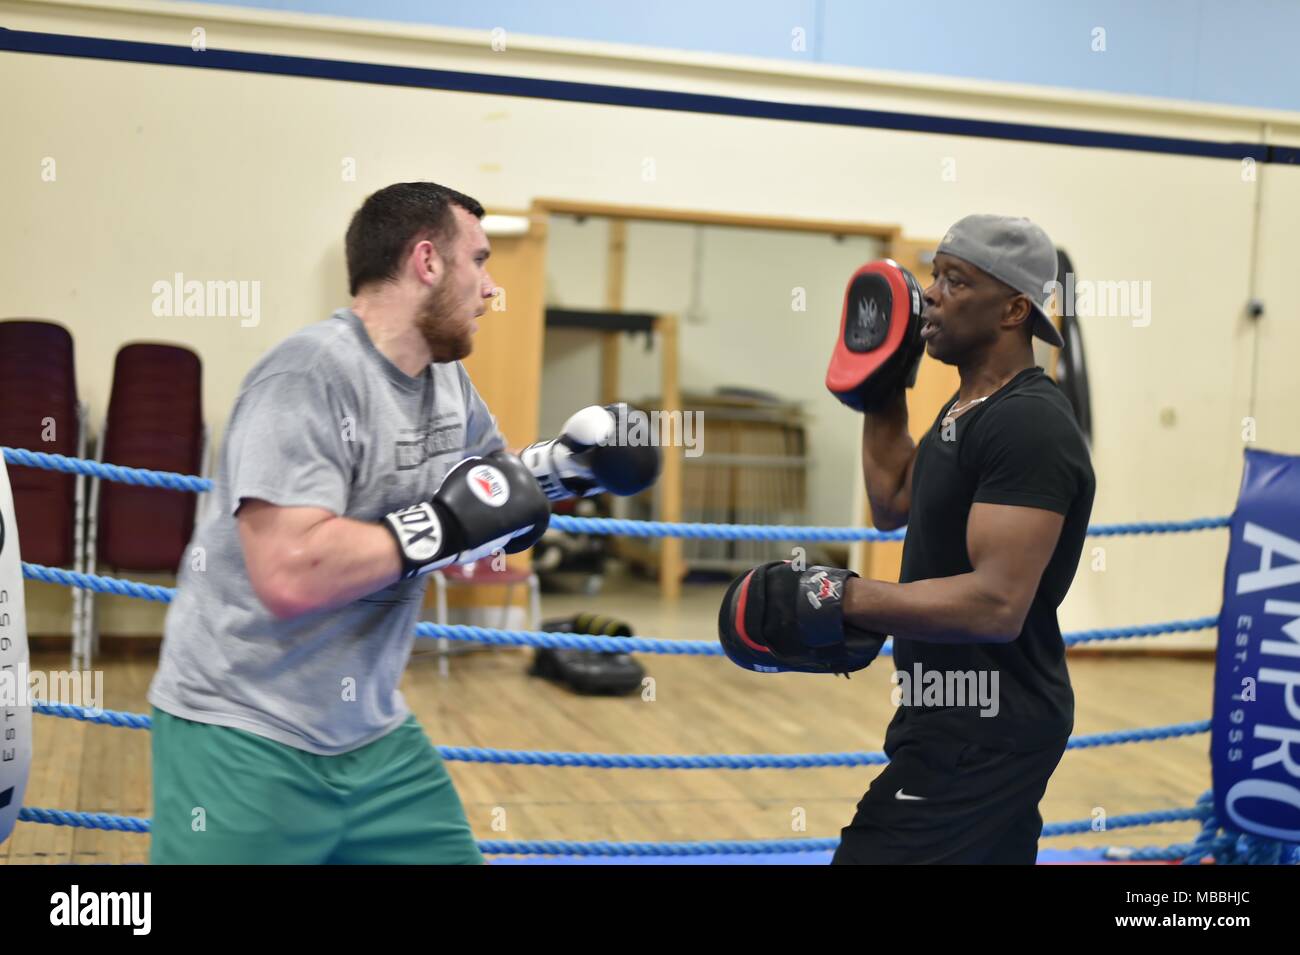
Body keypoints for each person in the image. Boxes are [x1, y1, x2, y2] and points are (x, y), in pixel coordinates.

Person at [148, 181, 656, 864]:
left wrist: (568, 467)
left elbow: (488, 492)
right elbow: (289, 571)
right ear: (426, 262)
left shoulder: (447, 385)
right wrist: (441, 526)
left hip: (372, 736)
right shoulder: (307, 375)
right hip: (244, 731)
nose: (491, 289)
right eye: (479, 261)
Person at [720, 215, 1095, 864]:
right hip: (946, 711)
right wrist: (881, 381)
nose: (932, 294)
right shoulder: (962, 411)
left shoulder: (1029, 423)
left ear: (1012, 309)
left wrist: (844, 596)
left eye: (955, 280)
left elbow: (997, 604)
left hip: (988, 727)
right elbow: (891, 500)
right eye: (933, 276)